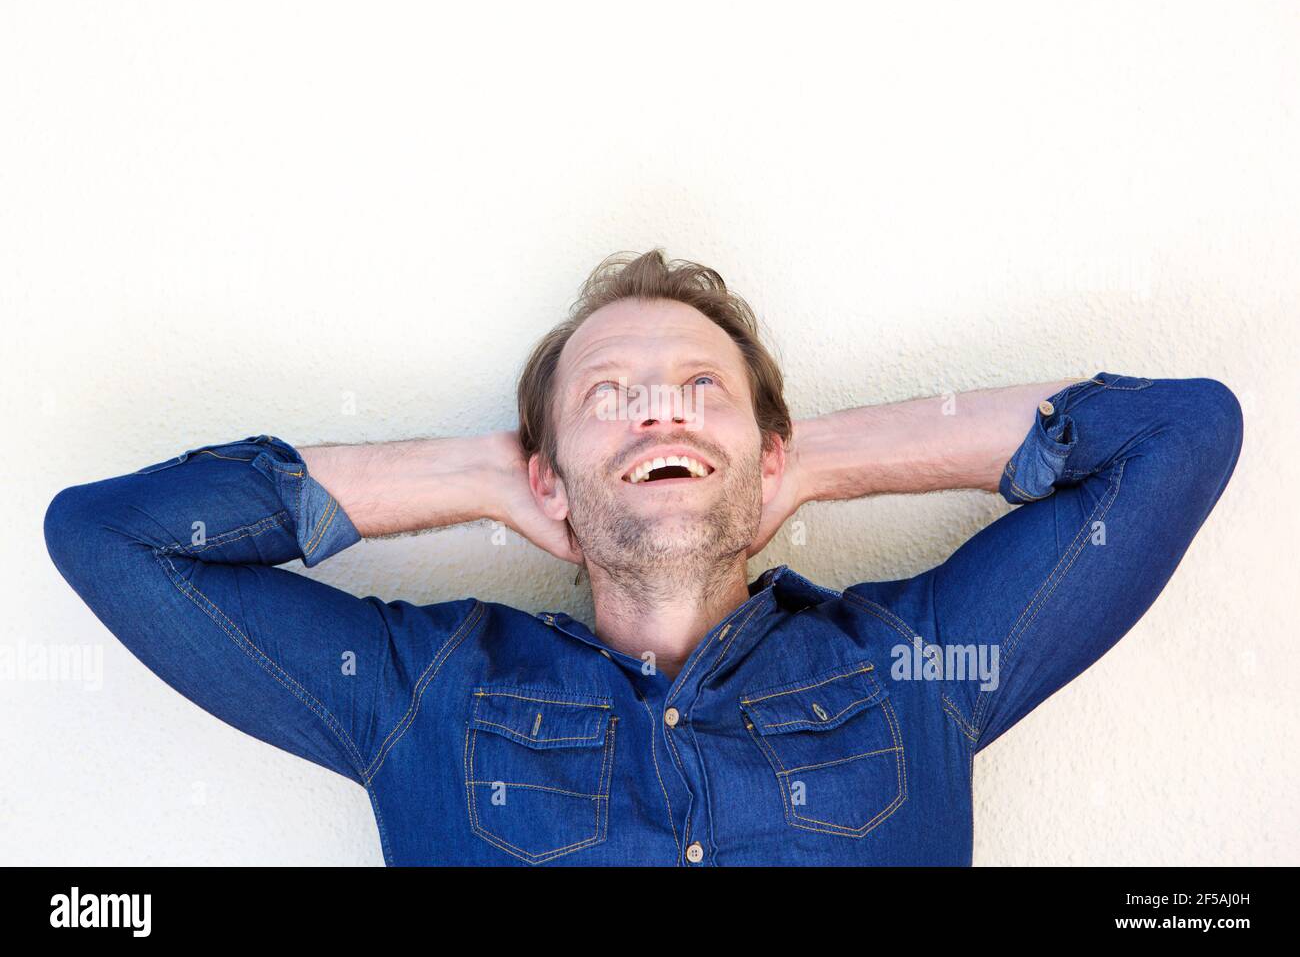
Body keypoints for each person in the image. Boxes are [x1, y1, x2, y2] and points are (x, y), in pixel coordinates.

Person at [43, 249, 1244, 865]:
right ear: (546, 474)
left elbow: (1180, 434)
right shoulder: (426, 694)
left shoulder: (918, 668)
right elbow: (111, 537)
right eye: (612, 396)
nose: (659, 413)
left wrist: (808, 461)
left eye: (698, 392)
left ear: (765, 456)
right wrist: (475, 477)